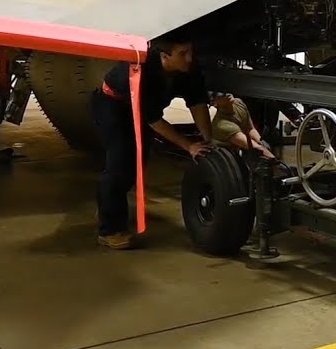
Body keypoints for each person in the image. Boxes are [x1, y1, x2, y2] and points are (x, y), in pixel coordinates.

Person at [90, 31, 214, 250]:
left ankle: (109, 204)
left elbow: (197, 104)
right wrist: (188, 146)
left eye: (190, 52)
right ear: (164, 56)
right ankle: (109, 229)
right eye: (182, 54)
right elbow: (154, 121)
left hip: (142, 110)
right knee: (119, 163)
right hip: (113, 106)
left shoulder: (189, 70)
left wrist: (207, 140)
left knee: (137, 163)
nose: (189, 58)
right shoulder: (142, 71)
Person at [210, 92, 276, 160]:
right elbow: (251, 146)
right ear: (214, 103)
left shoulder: (238, 103)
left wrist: (261, 142)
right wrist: (274, 159)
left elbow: (250, 129)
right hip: (223, 157)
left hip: (237, 149)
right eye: (221, 95)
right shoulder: (222, 125)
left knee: (265, 146)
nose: (227, 94)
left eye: (226, 90)